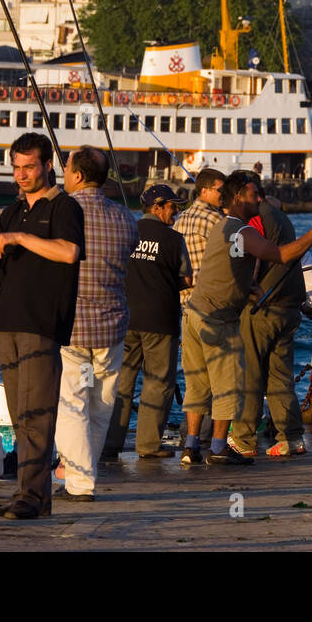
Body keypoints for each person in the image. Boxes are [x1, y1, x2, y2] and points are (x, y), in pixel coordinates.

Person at [180, 171, 312, 465]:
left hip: (193, 315)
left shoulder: (223, 227)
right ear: (238, 198)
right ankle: (218, 448)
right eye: (252, 195)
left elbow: (230, 261)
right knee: (228, 385)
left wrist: (248, 287)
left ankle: (190, 447)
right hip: (218, 318)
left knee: (198, 385)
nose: (257, 200)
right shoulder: (244, 231)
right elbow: (280, 255)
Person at [0, 133, 84, 520]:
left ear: (47, 166)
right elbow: (3, 273)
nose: (21, 175)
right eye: (16, 168)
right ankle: (26, 493)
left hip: (41, 324)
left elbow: (69, 252)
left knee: (38, 414)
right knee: (20, 416)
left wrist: (20, 236)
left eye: (29, 167)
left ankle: (34, 498)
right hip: (8, 322)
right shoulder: (11, 212)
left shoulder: (64, 207)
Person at [54, 146, 138, 502]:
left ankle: (80, 481)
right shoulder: (125, 217)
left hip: (73, 327)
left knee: (71, 404)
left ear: (75, 175)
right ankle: (79, 475)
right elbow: (130, 248)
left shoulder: (63, 212)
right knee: (100, 405)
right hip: (112, 328)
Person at [104, 184, 192, 459]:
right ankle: (148, 445)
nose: (176, 212)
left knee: (121, 382)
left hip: (125, 318)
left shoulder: (126, 231)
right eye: (172, 206)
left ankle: (110, 443)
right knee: (157, 382)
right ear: (157, 207)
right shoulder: (174, 240)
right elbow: (187, 279)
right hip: (160, 320)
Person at [229, 173, 308, 458]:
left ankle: (244, 439)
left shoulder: (257, 216)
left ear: (252, 196)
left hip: (263, 306)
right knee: (280, 376)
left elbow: (257, 252)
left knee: (250, 373)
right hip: (289, 306)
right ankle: (292, 437)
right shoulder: (282, 217)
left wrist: (246, 287)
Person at [171, 168, 226, 456]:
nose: (224, 195)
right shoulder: (216, 220)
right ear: (204, 190)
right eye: (220, 189)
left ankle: (190, 439)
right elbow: (234, 260)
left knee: (194, 378)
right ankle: (216, 444)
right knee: (222, 378)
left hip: (186, 309)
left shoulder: (180, 220)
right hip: (213, 306)